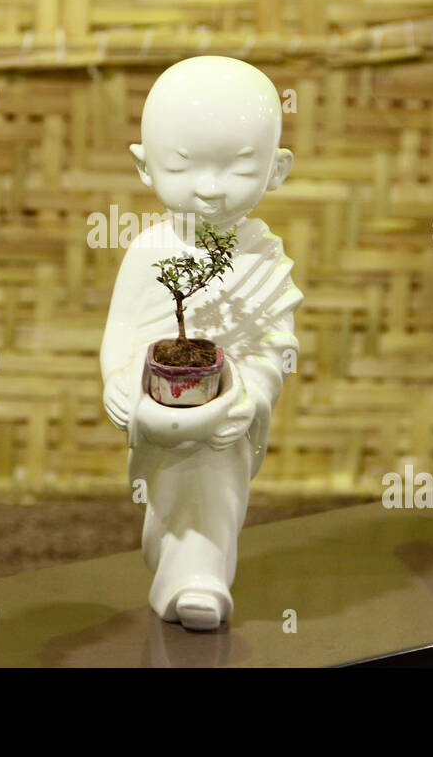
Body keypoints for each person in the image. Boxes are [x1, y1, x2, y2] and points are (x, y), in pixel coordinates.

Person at [101, 56, 302, 629]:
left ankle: (201, 577)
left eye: (239, 168)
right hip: (158, 411)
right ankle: (173, 564)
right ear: (145, 168)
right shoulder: (148, 251)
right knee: (168, 494)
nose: (210, 190)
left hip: (225, 420)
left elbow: (275, 346)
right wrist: (118, 379)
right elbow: (123, 332)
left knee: (215, 485)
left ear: (277, 169)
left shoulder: (264, 260)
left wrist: (254, 390)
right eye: (185, 167)